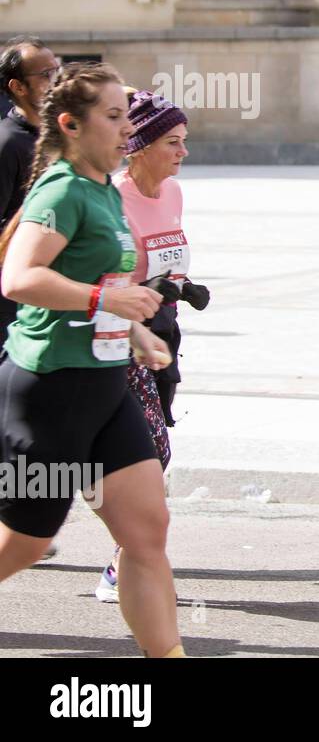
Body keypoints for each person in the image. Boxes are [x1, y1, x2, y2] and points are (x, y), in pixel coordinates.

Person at [0, 63, 184, 657]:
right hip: (49, 388)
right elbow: (18, 277)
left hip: (105, 385)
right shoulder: (60, 189)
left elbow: (99, 277)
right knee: (23, 545)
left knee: (146, 534)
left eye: (126, 115)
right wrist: (108, 299)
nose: (126, 128)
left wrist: (134, 331)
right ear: (70, 125)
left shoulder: (105, 187)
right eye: (113, 117)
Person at [96, 88, 201, 603]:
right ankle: (125, 561)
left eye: (185, 141)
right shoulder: (113, 197)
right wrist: (141, 298)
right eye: (173, 143)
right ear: (138, 146)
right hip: (118, 339)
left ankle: (127, 557)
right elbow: (104, 276)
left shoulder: (174, 192)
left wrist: (181, 285)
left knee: (147, 448)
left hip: (162, 333)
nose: (183, 152)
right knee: (151, 450)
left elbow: (168, 254)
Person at [0, 36, 59, 335]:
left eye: (57, 70)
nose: (56, 81)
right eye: (46, 75)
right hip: (17, 297)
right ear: (18, 87)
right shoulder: (8, 143)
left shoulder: (61, 134)